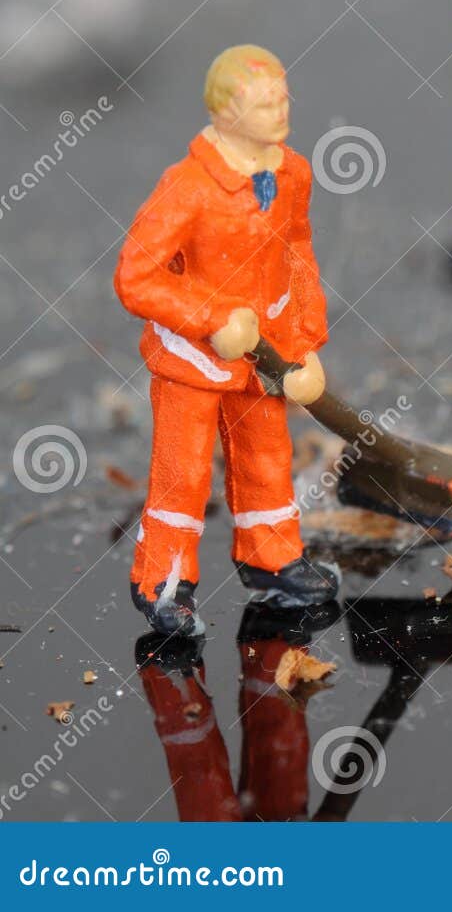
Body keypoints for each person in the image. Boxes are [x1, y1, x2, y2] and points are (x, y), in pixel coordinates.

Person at [115, 45, 339, 636]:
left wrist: (306, 343)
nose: (281, 109)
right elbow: (136, 277)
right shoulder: (187, 186)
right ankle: (161, 581)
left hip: (265, 355)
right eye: (265, 102)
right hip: (192, 358)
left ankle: (271, 559)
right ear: (226, 111)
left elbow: (298, 256)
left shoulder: (292, 172)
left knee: (267, 458)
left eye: (283, 95)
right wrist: (211, 317)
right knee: (183, 472)